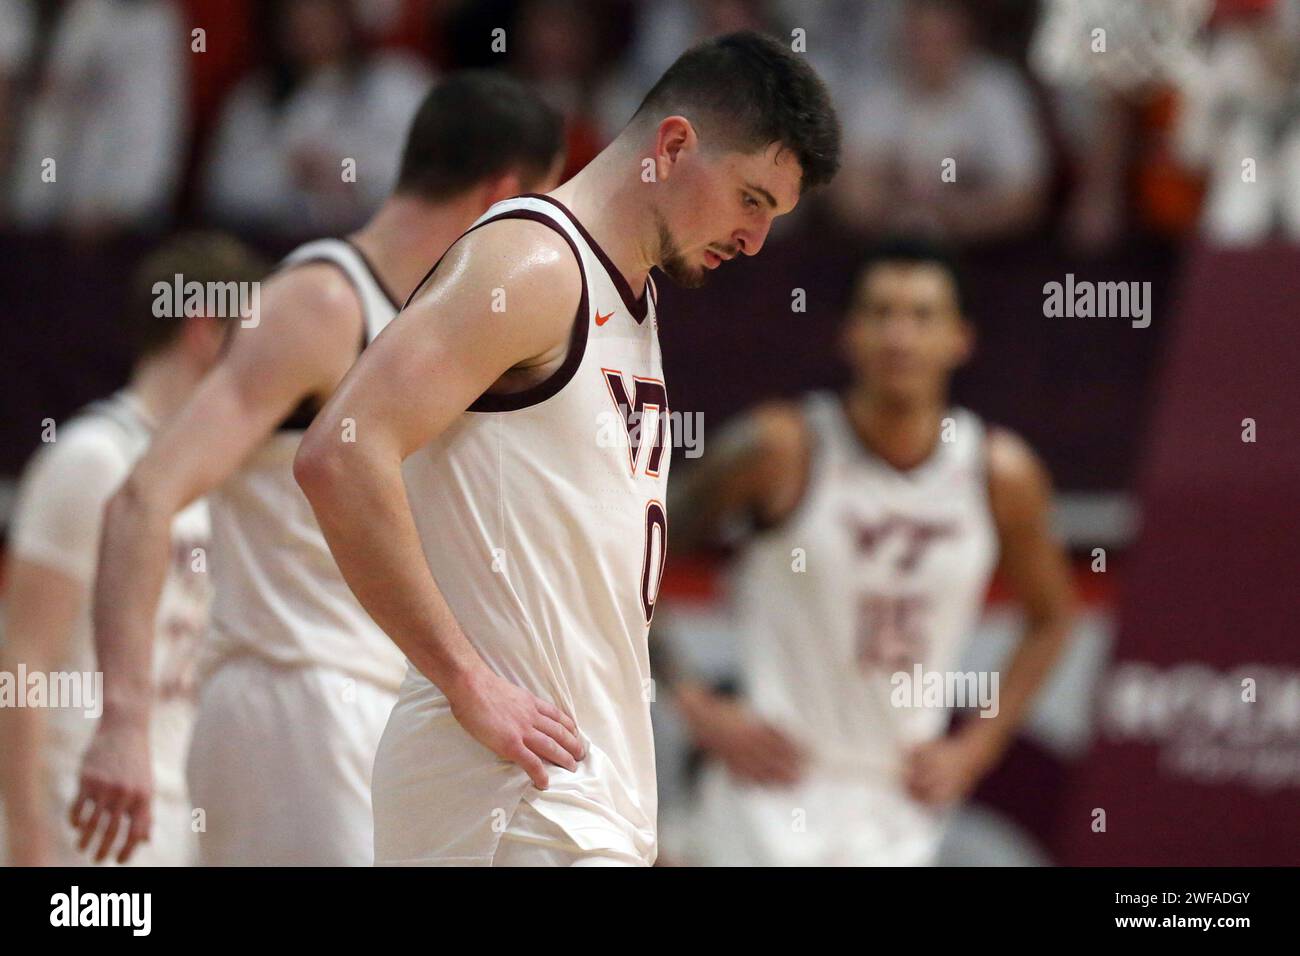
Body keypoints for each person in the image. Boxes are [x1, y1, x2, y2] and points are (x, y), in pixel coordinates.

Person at [293, 30, 841, 867]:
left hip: (579, 793)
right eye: (752, 199)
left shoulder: (635, 298)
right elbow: (338, 453)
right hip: (505, 794)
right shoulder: (534, 263)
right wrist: (466, 680)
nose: (756, 239)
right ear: (675, 144)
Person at [68, 71, 565, 866]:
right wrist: (123, 721)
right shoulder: (321, 301)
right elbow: (141, 497)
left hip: (378, 701)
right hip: (289, 694)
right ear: (503, 193)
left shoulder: (438, 330)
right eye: (543, 208)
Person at [668, 237, 1077, 865]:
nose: (899, 335)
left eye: (921, 316)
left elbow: (1052, 617)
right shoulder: (780, 448)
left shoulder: (1000, 474)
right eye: (881, 313)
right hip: (766, 788)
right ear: (850, 332)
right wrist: (694, 703)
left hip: (898, 801)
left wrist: (976, 749)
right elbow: (627, 555)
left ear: (960, 338)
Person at [0, 234, 266, 866]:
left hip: (173, 811)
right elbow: (20, 663)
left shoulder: (218, 473)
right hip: (79, 805)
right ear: (205, 329)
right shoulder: (93, 458)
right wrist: (27, 834)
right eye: (256, 332)